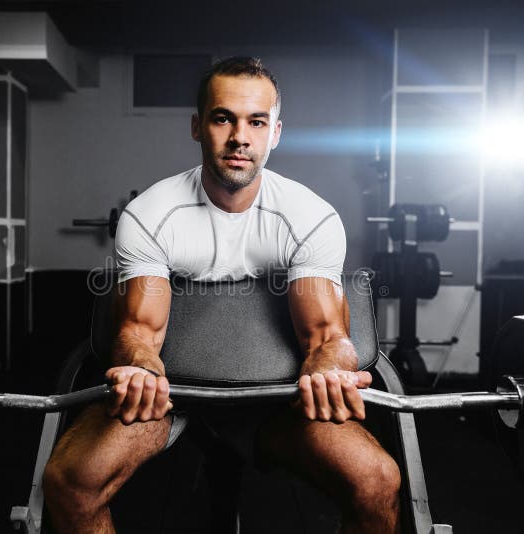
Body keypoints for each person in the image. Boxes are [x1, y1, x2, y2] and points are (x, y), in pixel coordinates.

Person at [43, 56, 401, 534]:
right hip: (173, 400)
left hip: (273, 403)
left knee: (378, 480)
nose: (240, 137)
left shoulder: (309, 217)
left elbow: (326, 336)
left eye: (257, 121)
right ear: (197, 127)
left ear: (275, 132)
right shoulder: (151, 215)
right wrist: (141, 368)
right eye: (222, 118)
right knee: (70, 481)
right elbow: (138, 332)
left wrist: (329, 369)